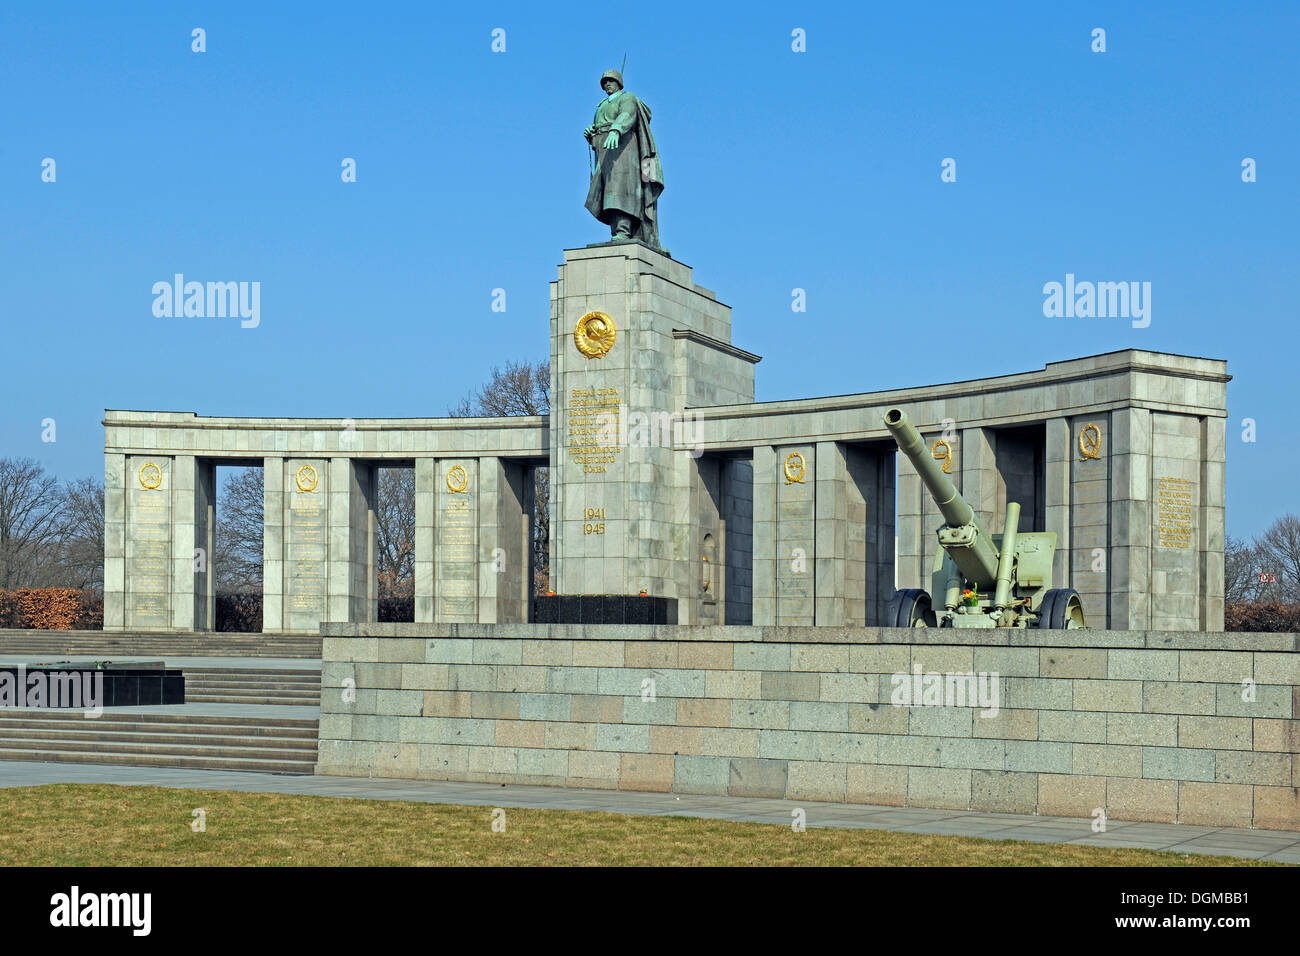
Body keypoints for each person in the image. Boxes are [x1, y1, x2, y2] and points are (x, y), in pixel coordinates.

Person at [583, 69, 664, 248]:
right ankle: (617, 230)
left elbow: (627, 114)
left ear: (619, 82)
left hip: (623, 150)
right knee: (607, 191)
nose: (607, 84)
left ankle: (623, 230)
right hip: (604, 153)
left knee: (620, 188)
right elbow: (600, 126)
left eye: (611, 81)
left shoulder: (627, 98)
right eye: (604, 82)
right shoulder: (602, 104)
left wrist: (616, 129)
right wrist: (591, 133)